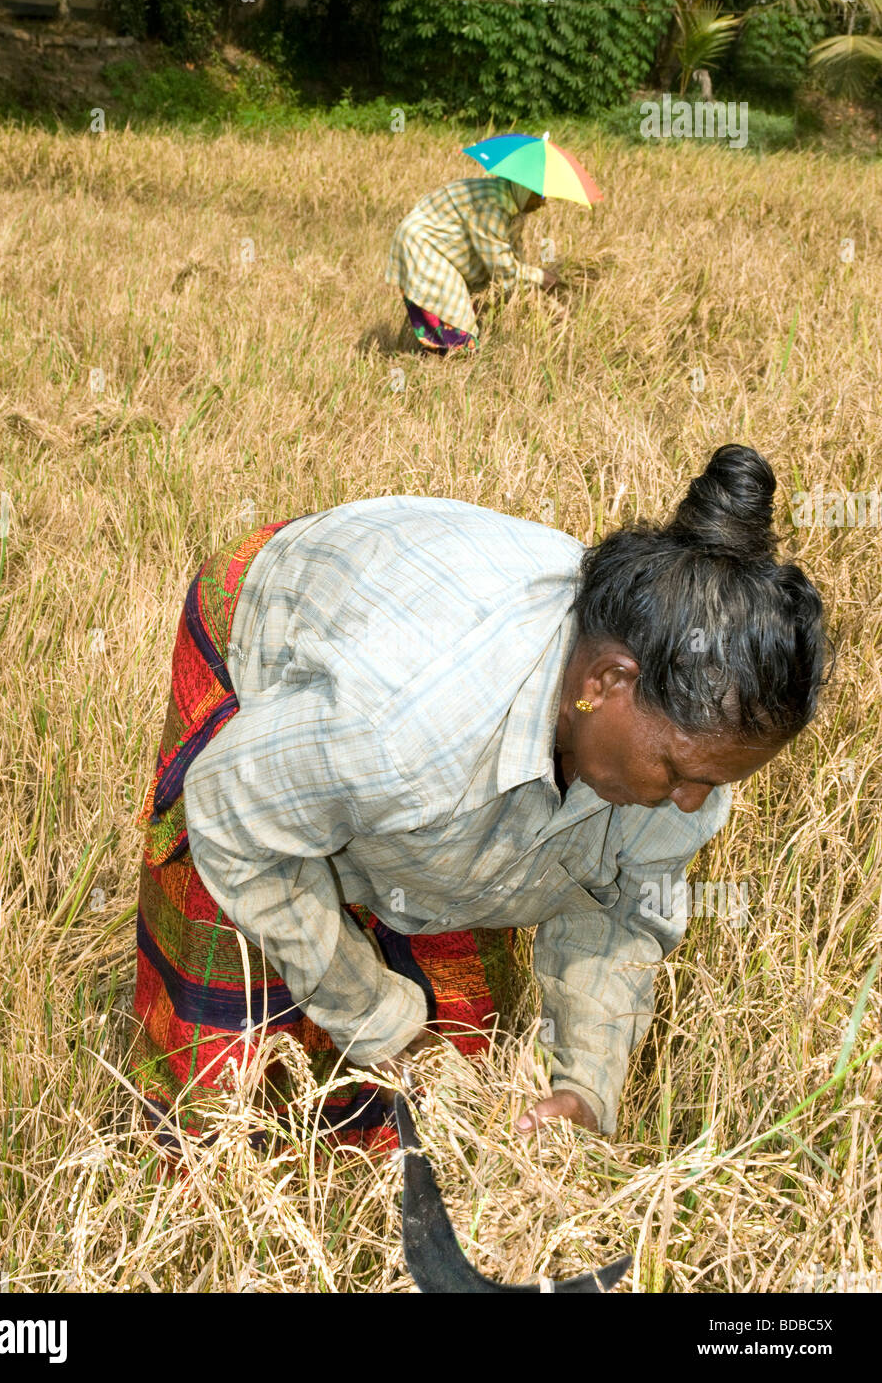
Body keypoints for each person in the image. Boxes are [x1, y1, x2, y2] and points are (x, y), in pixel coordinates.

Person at [130, 445, 828, 1149]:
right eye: (680, 773)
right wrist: (378, 1021)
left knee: (450, 1012)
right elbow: (231, 818)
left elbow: (622, 912)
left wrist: (584, 1084)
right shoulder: (402, 728)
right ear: (607, 683)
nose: (693, 804)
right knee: (230, 1033)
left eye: (715, 781)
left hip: (439, 691)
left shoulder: (679, 755)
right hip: (285, 615)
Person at [384, 175, 558, 354]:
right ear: (524, 190)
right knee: (455, 317)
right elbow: (501, 266)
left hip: (436, 246)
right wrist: (539, 277)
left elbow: (513, 250)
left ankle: (439, 355)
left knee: (456, 313)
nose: (541, 203)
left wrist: (527, 284)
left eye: (545, 197)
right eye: (539, 196)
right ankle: (447, 358)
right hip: (422, 245)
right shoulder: (493, 207)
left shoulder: (511, 203)